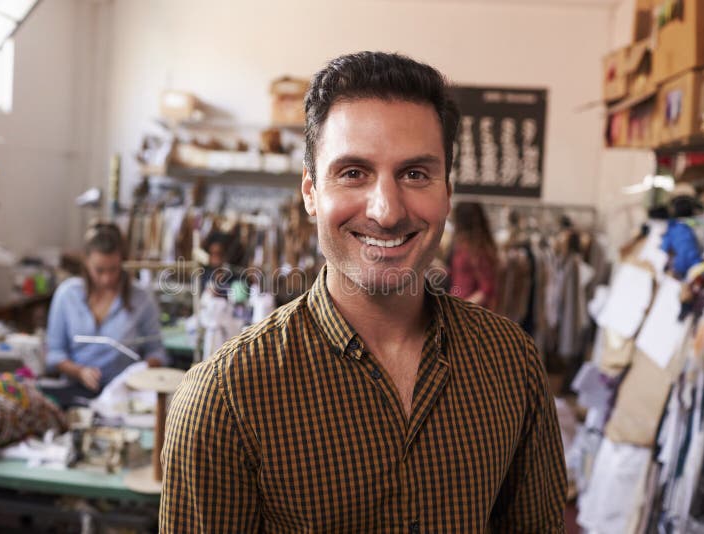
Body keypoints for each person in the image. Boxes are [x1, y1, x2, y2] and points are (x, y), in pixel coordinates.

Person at [160, 52, 566, 532]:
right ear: (310, 192)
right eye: (353, 173)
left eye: (415, 174)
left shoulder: (511, 363)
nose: (386, 211)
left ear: (447, 192)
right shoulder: (225, 399)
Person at [45, 222, 166, 395]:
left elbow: (156, 351)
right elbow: (55, 354)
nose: (107, 279)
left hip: (124, 393)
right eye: (99, 270)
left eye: (113, 269)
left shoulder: (141, 298)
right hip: (75, 389)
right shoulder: (67, 295)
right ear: (86, 262)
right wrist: (80, 372)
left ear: (122, 262)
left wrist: (141, 371)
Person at [449, 201, 499, 310]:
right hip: (458, 307)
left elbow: (486, 289)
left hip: (469, 312)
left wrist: (462, 308)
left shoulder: (478, 249)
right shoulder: (461, 245)